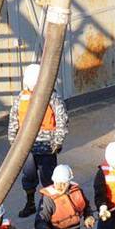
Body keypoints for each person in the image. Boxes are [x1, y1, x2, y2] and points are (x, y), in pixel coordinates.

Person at [10, 62, 69, 218]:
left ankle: (50, 207)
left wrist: (57, 142)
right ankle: (30, 203)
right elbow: (14, 121)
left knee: (48, 179)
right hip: (26, 148)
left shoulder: (52, 97)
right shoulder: (20, 98)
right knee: (28, 176)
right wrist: (13, 143)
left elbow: (61, 120)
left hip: (47, 147)